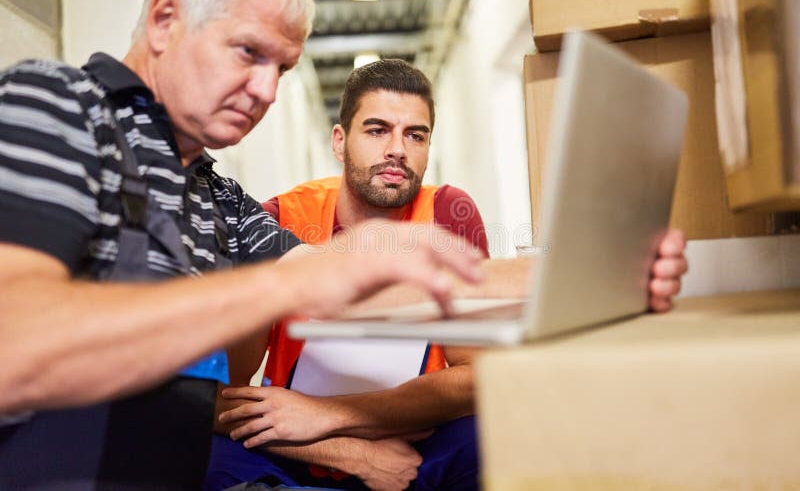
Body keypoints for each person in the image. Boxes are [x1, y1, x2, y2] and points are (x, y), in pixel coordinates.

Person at [0, 0, 482, 489]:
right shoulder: (59, 105)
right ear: (164, 20)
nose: (267, 91)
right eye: (250, 52)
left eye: (282, 69)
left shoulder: (219, 196)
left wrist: (526, 284)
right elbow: (14, 341)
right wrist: (286, 287)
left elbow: (340, 281)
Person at [206, 60, 689, 490]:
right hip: (296, 447)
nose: (397, 149)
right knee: (207, 454)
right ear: (339, 141)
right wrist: (348, 451)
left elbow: (475, 377)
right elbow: (222, 399)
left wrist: (334, 415)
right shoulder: (279, 220)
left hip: (416, 444)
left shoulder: (448, 211)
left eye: (415, 135)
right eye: (377, 130)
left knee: (507, 426)